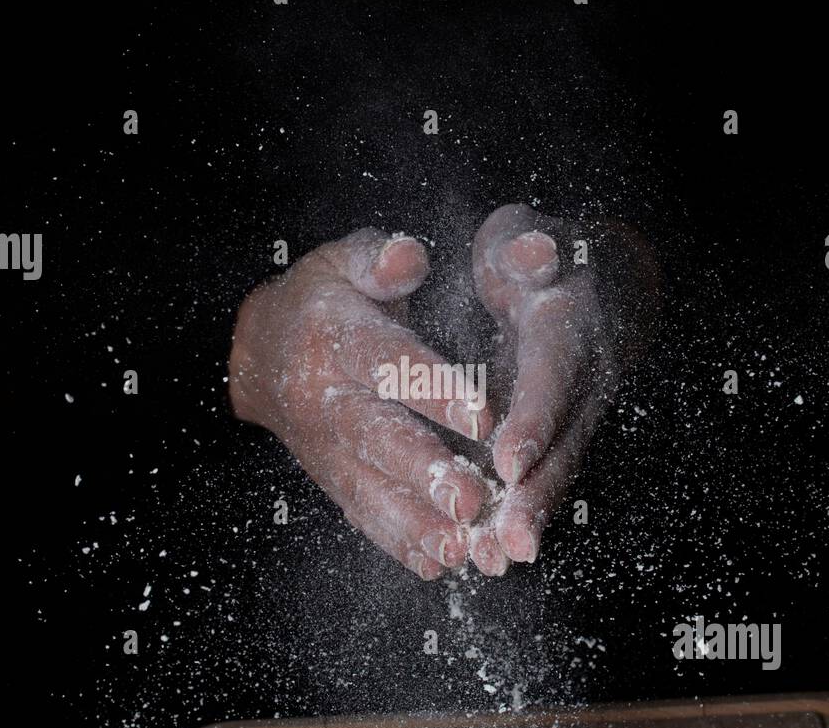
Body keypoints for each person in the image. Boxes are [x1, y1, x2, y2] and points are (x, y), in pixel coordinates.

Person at [229, 202, 661, 580]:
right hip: (272, 557)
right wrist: (253, 344)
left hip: (613, 535)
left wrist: (613, 277)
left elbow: (694, 214)